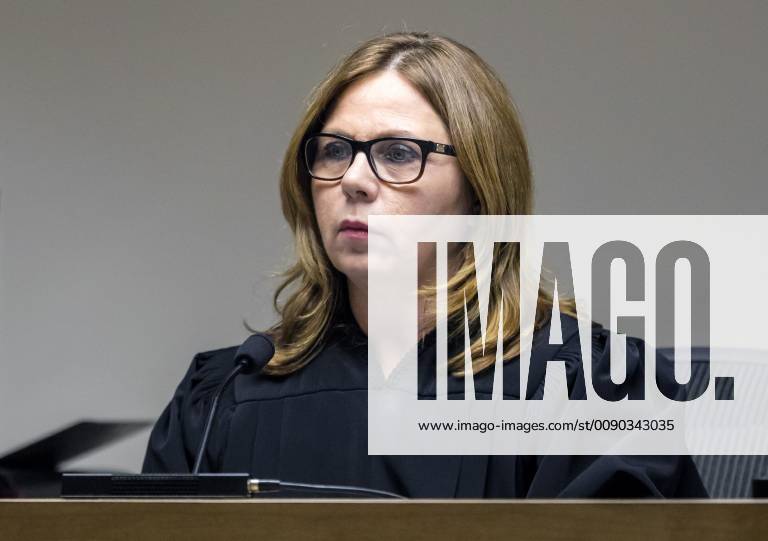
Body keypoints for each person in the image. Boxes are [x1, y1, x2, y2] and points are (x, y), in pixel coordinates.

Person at [142, 31, 707, 498]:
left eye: (398, 153)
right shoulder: (226, 395)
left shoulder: (587, 389)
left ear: (480, 187)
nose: (355, 180)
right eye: (335, 150)